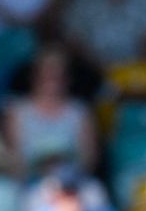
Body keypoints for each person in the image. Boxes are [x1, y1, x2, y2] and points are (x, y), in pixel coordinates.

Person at [6, 47, 98, 179]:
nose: (52, 80)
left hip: (71, 182)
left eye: (58, 75)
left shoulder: (79, 111)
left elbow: (89, 160)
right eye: (47, 74)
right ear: (35, 77)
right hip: (30, 182)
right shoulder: (17, 112)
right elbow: (14, 160)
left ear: (67, 79)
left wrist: (63, 175)